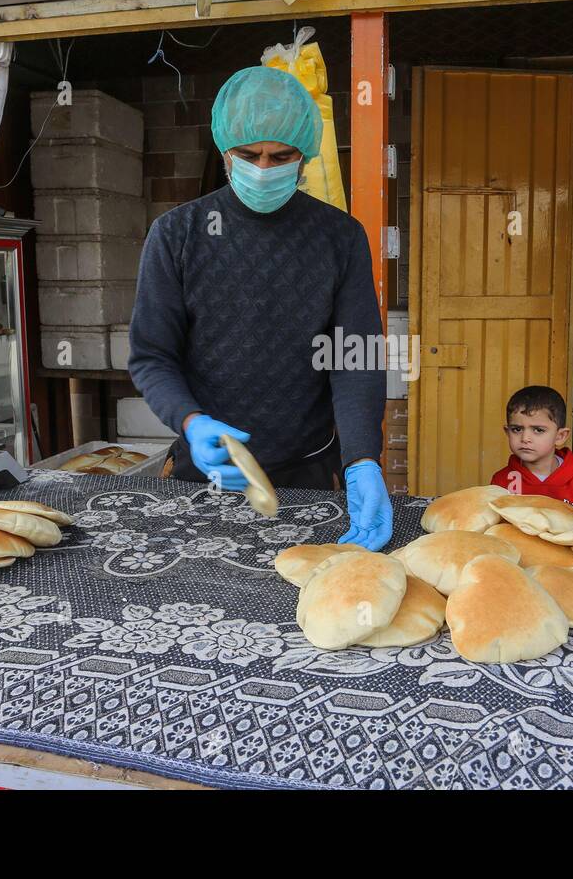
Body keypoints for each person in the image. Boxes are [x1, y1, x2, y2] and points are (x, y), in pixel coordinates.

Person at [128, 66, 392, 550]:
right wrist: (190, 421)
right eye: (248, 155)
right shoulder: (178, 234)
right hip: (206, 470)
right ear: (224, 151)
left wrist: (362, 460)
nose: (264, 169)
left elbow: (354, 358)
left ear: (305, 155)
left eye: (281, 155)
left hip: (307, 470)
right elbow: (152, 356)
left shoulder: (338, 237)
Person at [491, 385, 573, 507]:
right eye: (517, 429)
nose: (525, 438)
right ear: (507, 432)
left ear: (560, 436)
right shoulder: (501, 481)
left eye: (538, 430)